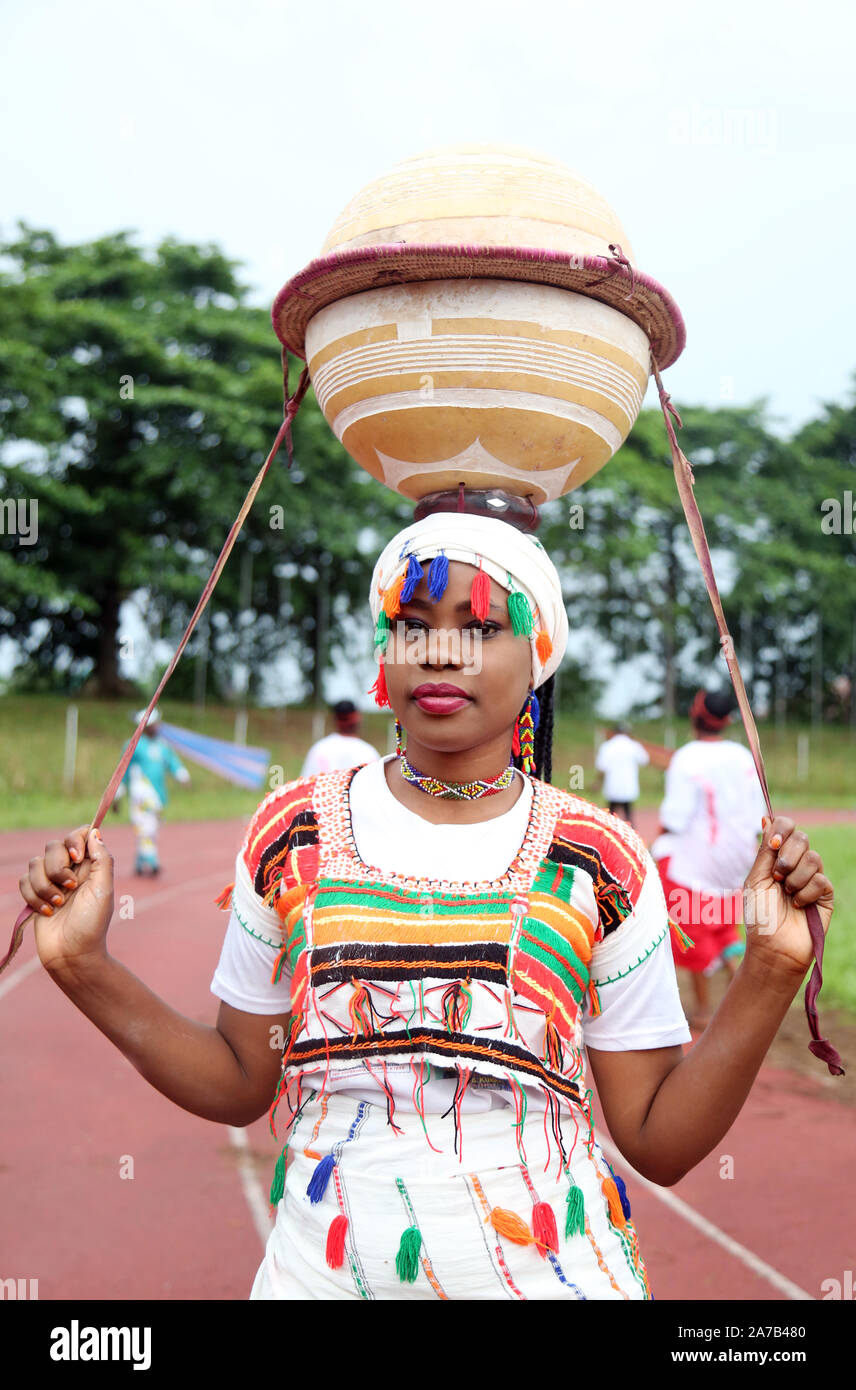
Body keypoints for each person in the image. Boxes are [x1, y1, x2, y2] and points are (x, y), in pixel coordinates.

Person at [18, 514, 834, 1301]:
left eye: (479, 628)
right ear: (385, 652)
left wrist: (768, 971)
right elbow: (238, 1079)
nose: (440, 651)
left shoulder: (597, 857)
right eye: (412, 624)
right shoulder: (292, 830)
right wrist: (83, 966)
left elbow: (659, 1140)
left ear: (538, 652)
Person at [651, 690, 769, 1029]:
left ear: (694, 716)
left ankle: (703, 1009)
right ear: (727, 720)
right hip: (738, 863)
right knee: (723, 929)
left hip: (697, 865)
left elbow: (674, 819)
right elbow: (757, 815)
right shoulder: (744, 756)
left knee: (691, 933)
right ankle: (746, 1001)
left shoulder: (687, 758)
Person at [114, 708, 190, 875]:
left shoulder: (163, 746)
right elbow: (122, 771)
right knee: (145, 825)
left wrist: (182, 775)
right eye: (153, 724)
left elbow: (172, 762)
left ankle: (140, 861)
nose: (157, 726)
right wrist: (118, 795)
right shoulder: (133, 745)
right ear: (145, 726)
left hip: (158, 794)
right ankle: (151, 860)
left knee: (152, 826)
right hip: (141, 793)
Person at [300, 699, 380, 776]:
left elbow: (305, 784)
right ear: (356, 718)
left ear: (335, 718)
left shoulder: (319, 749)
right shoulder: (369, 752)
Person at [593, 724, 650, 824]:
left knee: (611, 816)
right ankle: (632, 836)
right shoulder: (633, 745)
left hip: (612, 786)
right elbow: (645, 760)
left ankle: (609, 836)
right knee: (628, 815)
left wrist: (597, 783)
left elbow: (602, 767)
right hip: (628, 786)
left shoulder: (608, 746)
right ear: (628, 733)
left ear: (614, 732)